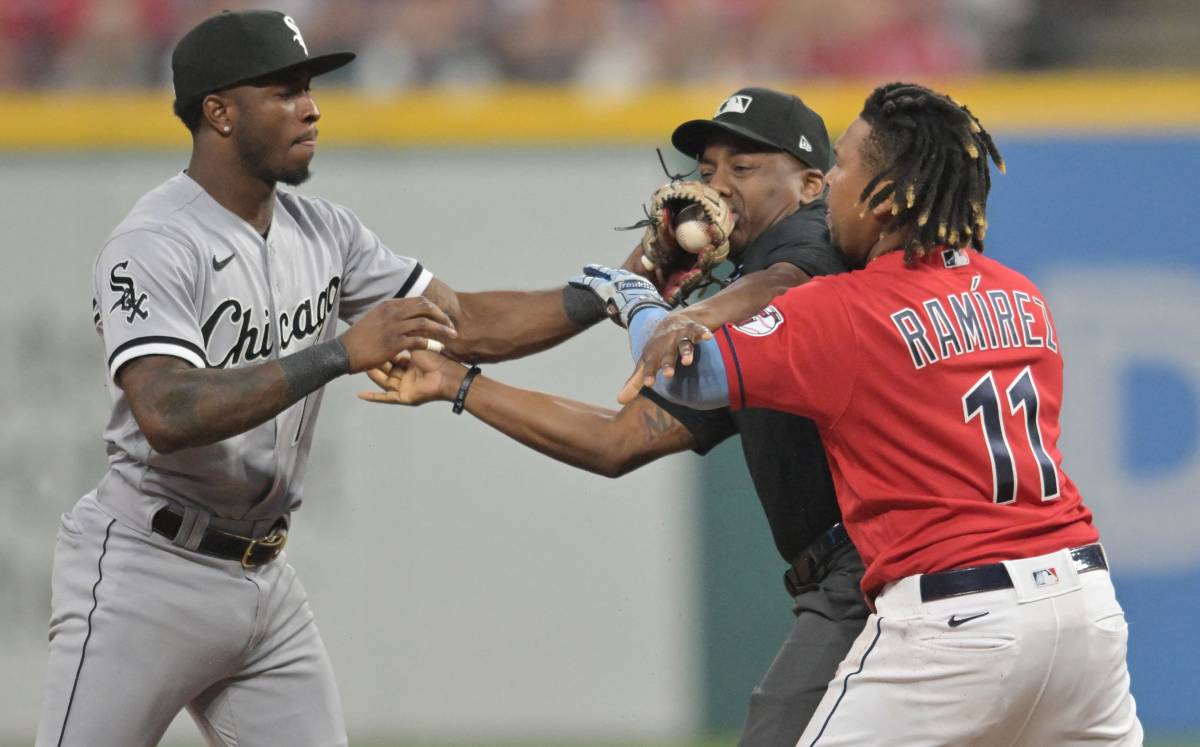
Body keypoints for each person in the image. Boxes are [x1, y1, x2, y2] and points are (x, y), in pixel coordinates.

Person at [35, 10, 623, 747]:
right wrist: (338, 352)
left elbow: (463, 321)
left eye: (308, 87)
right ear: (218, 112)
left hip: (262, 576)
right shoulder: (154, 242)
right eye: (283, 90)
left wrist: (611, 291)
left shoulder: (324, 230)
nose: (310, 106)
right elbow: (165, 408)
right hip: (146, 570)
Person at [588, 81, 1143, 745]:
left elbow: (691, 375)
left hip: (955, 620)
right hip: (1084, 609)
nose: (831, 187)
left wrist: (638, 295)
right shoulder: (1021, 296)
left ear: (886, 198)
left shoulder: (846, 307)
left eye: (846, 165)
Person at [364, 87, 870, 746]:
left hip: (872, 568)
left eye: (742, 168)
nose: (717, 185)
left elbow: (786, 282)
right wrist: (459, 383)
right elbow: (617, 440)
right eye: (707, 170)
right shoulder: (740, 323)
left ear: (809, 183)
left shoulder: (814, 240)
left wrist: (687, 314)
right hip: (853, 575)